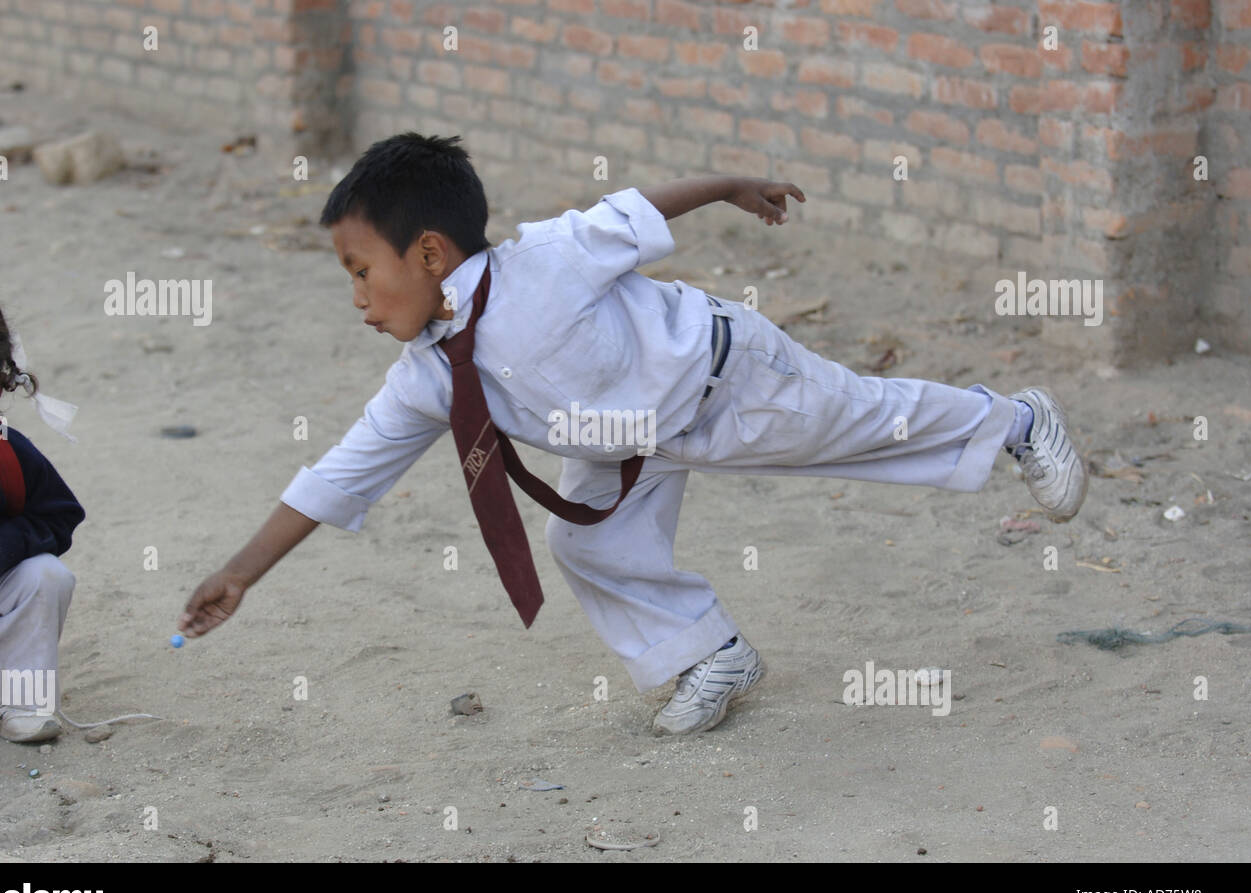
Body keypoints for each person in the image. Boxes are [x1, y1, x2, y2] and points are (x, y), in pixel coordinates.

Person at [177, 132, 1086, 737]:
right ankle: (712, 652)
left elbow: (635, 212)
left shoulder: (547, 261)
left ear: (428, 253)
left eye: (360, 270)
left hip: (727, 380)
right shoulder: (424, 376)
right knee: (585, 536)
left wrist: (733, 184)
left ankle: (1015, 419)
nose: (358, 299)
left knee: (864, 421)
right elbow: (341, 474)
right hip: (627, 444)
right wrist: (238, 574)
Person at [0, 284, 84, 743]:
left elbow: (59, 516)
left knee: (46, 576)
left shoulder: (6, 452)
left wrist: (4, 545)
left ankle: (11, 695)